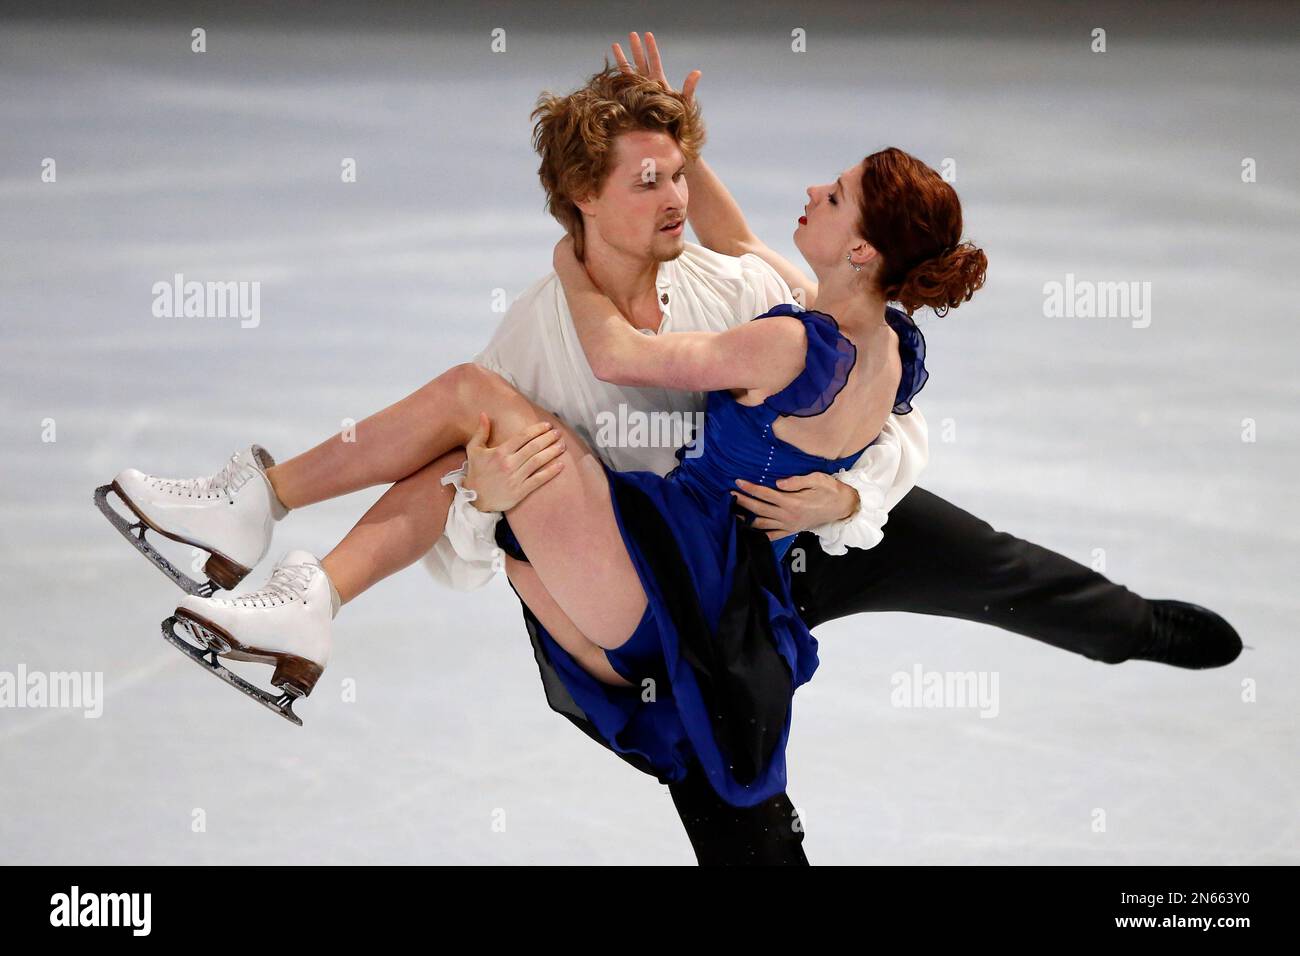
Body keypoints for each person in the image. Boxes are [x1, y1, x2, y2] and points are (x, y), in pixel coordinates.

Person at [97, 34, 1241, 865]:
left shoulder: (737, 292)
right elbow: (471, 500)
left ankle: (1128, 626)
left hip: (779, 527)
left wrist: (843, 494)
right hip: (653, 573)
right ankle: (282, 553)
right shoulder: (536, 343)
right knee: (717, 758)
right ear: (581, 202)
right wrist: (482, 503)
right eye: (649, 180)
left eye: (678, 173)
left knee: (990, 561)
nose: (676, 194)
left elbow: (886, 414)